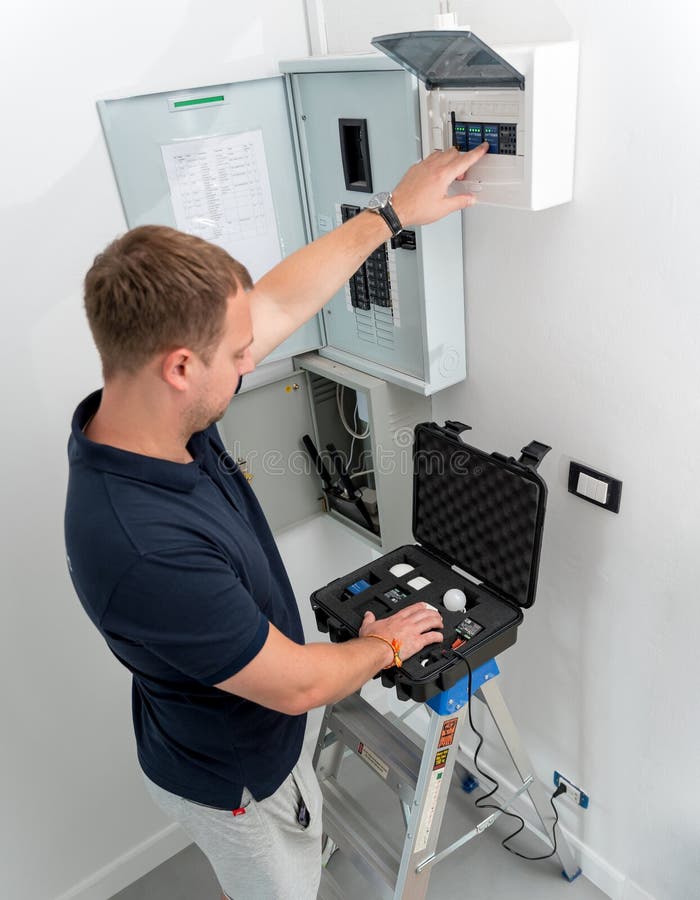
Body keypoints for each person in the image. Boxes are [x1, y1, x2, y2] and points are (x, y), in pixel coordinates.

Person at [64, 143, 489, 900]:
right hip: (236, 781)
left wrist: (392, 212)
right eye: (237, 354)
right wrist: (383, 645)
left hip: (243, 730)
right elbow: (293, 687)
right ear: (180, 367)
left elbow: (281, 301)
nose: (252, 358)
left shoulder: (146, 416)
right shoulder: (141, 547)